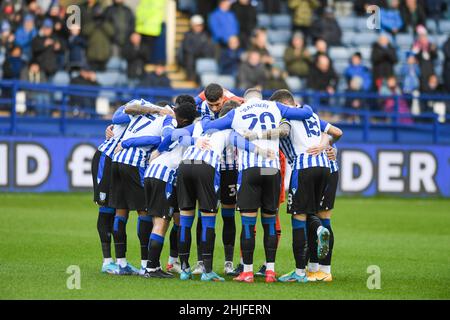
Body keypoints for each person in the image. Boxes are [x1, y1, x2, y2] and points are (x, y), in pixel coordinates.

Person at [201, 88, 314, 283]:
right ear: (261, 98)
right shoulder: (275, 106)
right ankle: (270, 271)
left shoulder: (238, 111)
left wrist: (203, 117)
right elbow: (306, 113)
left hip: (250, 169)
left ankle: (248, 271)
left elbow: (210, 126)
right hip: (272, 170)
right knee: (269, 221)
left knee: (248, 223)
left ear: (245, 100)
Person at [109, 99, 177, 275]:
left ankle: (121, 264)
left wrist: (126, 141)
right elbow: (164, 139)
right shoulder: (168, 119)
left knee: (120, 210)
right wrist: (131, 142)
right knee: (144, 212)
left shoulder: (141, 110)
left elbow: (123, 111)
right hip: (135, 163)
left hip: (117, 160)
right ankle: (145, 265)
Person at [277, 102, 342, 283]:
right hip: (328, 168)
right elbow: (335, 132)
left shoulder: (285, 117)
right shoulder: (311, 115)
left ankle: (304, 271)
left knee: (303, 218)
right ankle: (316, 268)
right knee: (319, 216)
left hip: (306, 166)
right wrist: (327, 146)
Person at [141, 103, 198, 278]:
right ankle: (151, 269)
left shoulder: (176, 130)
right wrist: (200, 140)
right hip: (163, 176)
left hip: (151, 173)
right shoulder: (192, 131)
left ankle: (152, 265)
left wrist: (158, 151)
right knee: (161, 223)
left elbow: (169, 138)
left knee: (158, 221)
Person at [180, 15, 215, 80]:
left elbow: (208, 47)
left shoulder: (205, 35)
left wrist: (201, 52)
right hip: (192, 56)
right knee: (189, 58)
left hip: (202, 56)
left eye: (200, 25)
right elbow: (187, 47)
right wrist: (196, 52)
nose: (198, 27)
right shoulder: (188, 35)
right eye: (197, 25)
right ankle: (191, 77)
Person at [83, 6, 114, 71]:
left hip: (104, 54)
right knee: (92, 73)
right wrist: (94, 24)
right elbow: (85, 32)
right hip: (92, 54)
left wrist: (103, 24)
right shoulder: (90, 22)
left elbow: (112, 32)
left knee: (103, 76)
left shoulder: (106, 22)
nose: (98, 15)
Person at [412, 26, 438, 91]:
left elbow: (435, 56)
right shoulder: (415, 45)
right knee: (422, 86)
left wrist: (432, 50)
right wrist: (421, 49)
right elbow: (414, 57)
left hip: (430, 69)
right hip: (420, 69)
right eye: (421, 36)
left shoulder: (430, 45)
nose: (423, 38)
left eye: (424, 36)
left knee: (432, 85)